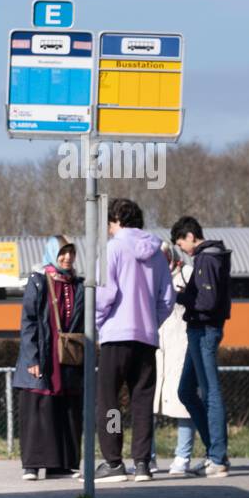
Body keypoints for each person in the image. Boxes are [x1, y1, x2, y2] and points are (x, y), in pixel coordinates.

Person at [93, 198, 175, 483]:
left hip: (116, 336)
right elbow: (167, 298)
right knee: (142, 402)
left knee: (109, 401)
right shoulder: (157, 252)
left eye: (108, 222)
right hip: (146, 338)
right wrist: (151, 322)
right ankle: (142, 463)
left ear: (116, 220)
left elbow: (104, 294)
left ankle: (114, 463)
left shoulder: (113, 248)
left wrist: (97, 325)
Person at [12, 235, 84, 481]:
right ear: (52, 254)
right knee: (38, 410)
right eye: (62, 253)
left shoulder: (79, 284)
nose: (67, 258)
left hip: (68, 359)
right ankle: (31, 465)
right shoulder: (39, 281)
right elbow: (29, 321)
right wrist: (32, 358)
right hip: (42, 357)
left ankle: (62, 465)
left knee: (65, 409)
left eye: (71, 253)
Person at [171, 216, 232, 477]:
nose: (181, 249)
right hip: (198, 330)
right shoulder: (208, 257)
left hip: (204, 331)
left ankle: (217, 458)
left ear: (190, 236)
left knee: (210, 393)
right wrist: (183, 294)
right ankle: (214, 453)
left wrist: (180, 297)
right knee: (186, 391)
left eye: (180, 243)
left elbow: (207, 301)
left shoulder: (206, 258)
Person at [152, 241, 202, 475]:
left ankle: (182, 457)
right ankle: (146, 457)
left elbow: (201, 304)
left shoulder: (187, 273)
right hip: (155, 350)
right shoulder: (149, 279)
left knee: (183, 404)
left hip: (181, 349)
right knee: (148, 405)